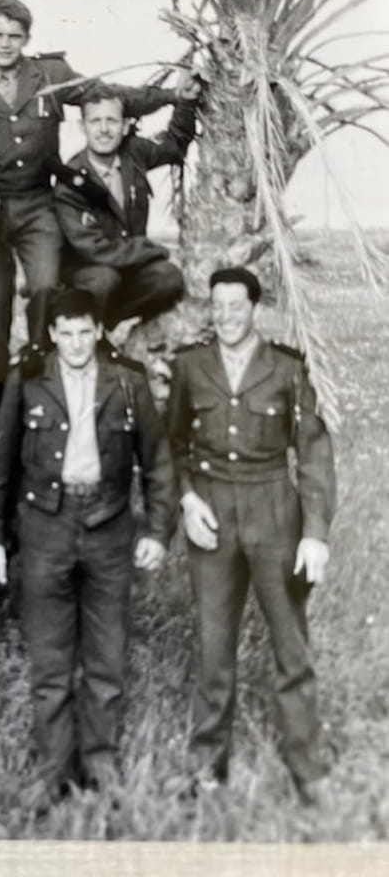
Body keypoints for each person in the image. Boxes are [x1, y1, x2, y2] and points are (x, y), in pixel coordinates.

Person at [0, 0, 185, 422]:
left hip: (36, 206)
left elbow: (108, 96)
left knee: (47, 288)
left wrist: (170, 97)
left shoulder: (49, 74)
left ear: (27, 38)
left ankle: (42, 373)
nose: (6, 44)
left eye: (15, 36)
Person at [0, 287, 177, 798]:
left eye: (84, 331)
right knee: (50, 656)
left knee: (107, 654)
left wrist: (157, 529)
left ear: (99, 331)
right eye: (64, 333)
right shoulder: (27, 381)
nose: (74, 343)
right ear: (51, 335)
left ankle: (100, 761)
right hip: (46, 526)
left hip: (109, 524)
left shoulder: (127, 383)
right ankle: (52, 767)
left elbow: (157, 463)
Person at [165, 267, 336, 803]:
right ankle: (206, 769)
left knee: (291, 647)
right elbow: (169, 448)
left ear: (254, 307)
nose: (226, 316)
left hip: (273, 513)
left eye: (236, 306)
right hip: (211, 517)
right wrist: (187, 500)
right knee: (215, 649)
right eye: (217, 306)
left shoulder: (287, 367)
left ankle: (306, 771)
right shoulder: (190, 366)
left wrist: (314, 533)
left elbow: (312, 452)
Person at [52, 78, 200, 335]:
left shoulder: (134, 153)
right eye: (95, 121)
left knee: (168, 278)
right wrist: (152, 249)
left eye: (112, 121)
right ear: (82, 127)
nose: (104, 130)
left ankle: (110, 325)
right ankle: (89, 335)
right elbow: (94, 250)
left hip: (127, 268)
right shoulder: (71, 180)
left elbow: (174, 148)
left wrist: (185, 105)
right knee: (103, 279)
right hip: (86, 274)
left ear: (125, 125)